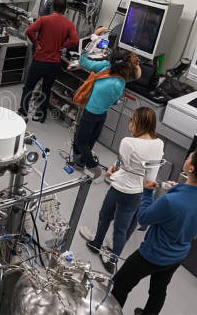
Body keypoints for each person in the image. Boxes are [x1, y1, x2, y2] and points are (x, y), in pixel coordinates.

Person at [110, 146, 197, 315]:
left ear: (191, 168)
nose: (187, 158)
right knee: (158, 290)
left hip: (153, 254)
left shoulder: (171, 202)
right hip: (178, 255)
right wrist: (178, 188)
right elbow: (192, 207)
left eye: (189, 157)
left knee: (120, 283)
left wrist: (148, 193)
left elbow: (143, 217)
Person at [78, 107, 164, 273]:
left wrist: (112, 171)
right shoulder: (159, 143)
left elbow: (122, 163)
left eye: (132, 120)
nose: (130, 124)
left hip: (120, 189)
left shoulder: (128, 142)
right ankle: (113, 259)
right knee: (123, 229)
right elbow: (149, 175)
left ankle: (97, 245)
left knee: (105, 215)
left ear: (138, 123)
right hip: (139, 193)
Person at [72, 36, 141, 180]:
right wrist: (136, 63)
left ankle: (92, 166)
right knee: (90, 140)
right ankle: (80, 162)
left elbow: (83, 61)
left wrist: (93, 41)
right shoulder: (122, 80)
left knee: (80, 141)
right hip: (102, 114)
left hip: (90, 113)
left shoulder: (104, 67)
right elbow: (137, 76)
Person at [18, 0, 78, 122]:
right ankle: (40, 115)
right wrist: (63, 45)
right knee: (46, 89)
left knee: (29, 87)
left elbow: (29, 31)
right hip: (54, 63)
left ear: (53, 7)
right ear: (65, 9)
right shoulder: (69, 24)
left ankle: (23, 112)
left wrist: (36, 43)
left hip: (39, 60)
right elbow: (75, 40)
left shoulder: (44, 20)